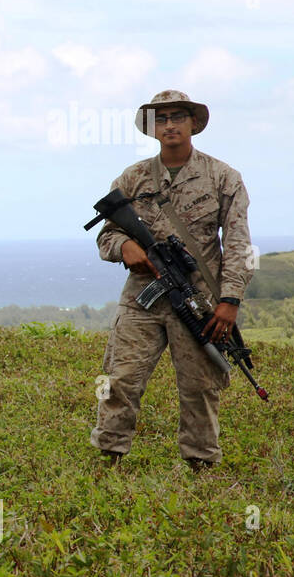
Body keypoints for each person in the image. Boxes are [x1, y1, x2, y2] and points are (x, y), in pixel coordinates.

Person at [90, 90, 253, 471]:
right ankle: (109, 457)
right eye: (161, 119)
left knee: (199, 386)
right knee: (121, 379)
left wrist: (230, 300)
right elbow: (106, 234)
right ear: (152, 129)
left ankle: (200, 463)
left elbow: (239, 242)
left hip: (198, 299)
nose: (170, 125)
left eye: (177, 117)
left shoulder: (223, 177)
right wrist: (125, 246)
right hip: (141, 298)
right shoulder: (132, 178)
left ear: (193, 123)